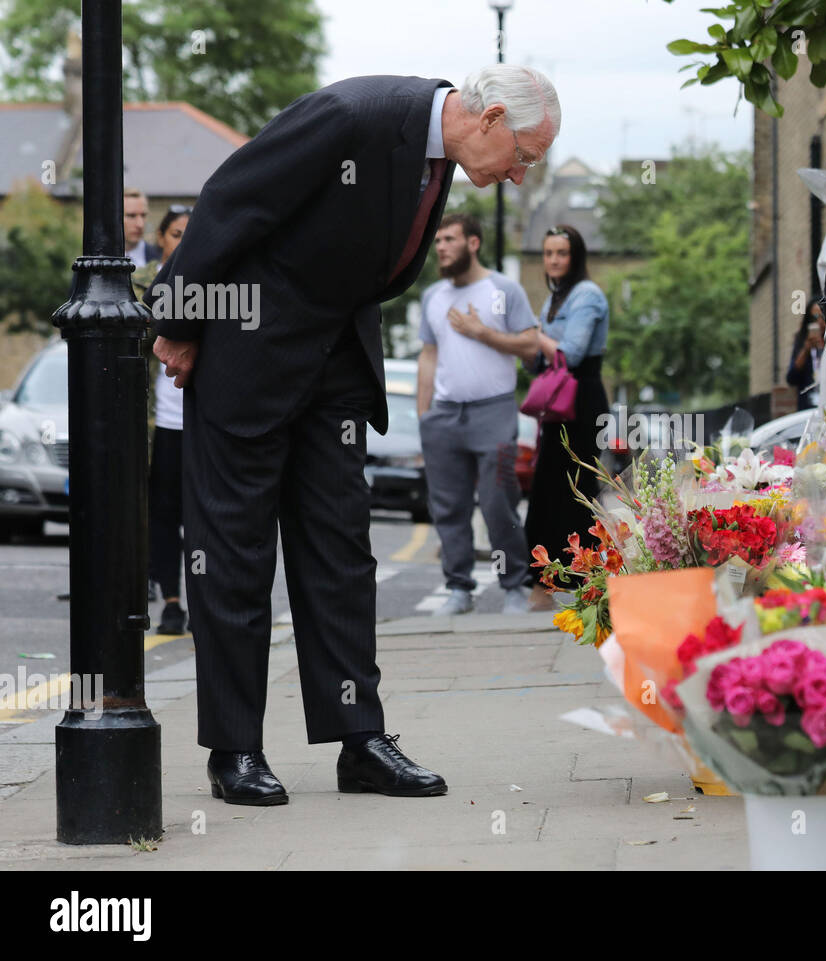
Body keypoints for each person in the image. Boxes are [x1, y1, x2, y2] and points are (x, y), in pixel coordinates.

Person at [149, 66, 559, 806]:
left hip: (333, 369)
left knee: (342, 552)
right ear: (491, 117)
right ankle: (235, 750)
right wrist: (178, 322)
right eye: (523, 156)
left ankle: (359, 741)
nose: (520, 177)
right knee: (235, 553)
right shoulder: (353, 115)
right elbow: (233, 199)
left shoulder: (438, 158)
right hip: (251, 357)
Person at [416, 213, 538, 616]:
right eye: (437, 242)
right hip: (445, 416)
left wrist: (481, 332)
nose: (441, 248)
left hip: (494, 412)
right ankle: (459, 589)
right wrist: (423, 415)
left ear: (473, 243)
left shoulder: (503, 290)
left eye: (449, 239)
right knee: (447, 506)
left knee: (497, 501)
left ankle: (515, 586)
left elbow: (531, 346)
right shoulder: (432, 296)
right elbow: (429, 355)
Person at [525, 225, 609, 609]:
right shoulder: (554, 299)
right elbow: (544, 356)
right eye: (548, 253)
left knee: (577, 491)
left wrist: (531, 333)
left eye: (561, 253)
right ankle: (550, 579)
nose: (554, 260)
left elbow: (571, 353)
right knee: (547, 489)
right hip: (557, 403)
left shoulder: (587, 295)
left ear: (575, 257)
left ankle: (583, 579)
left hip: (582, 400)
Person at [132, 207, 191, 634]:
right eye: (175, 234)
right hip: (163, 425)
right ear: (161, 238)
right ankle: (171, 600)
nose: (183, 242)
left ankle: (206, 601)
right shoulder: (141, 281)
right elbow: (139, 336)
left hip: (206, 424)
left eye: (191, 234)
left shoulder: (218, 281)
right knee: (164, 514)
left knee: (207, 517)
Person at [786, 303, 826, 411]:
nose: (819, 322)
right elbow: (791, 378)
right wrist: (806, 349)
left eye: (823, 316)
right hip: (808, 407)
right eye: (815, 318)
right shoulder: (802, 342)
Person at [123, 188, 162, 269]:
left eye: (143, 215)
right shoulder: (97, 258)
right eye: (131, 216)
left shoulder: (159, 259)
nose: (140, 224)